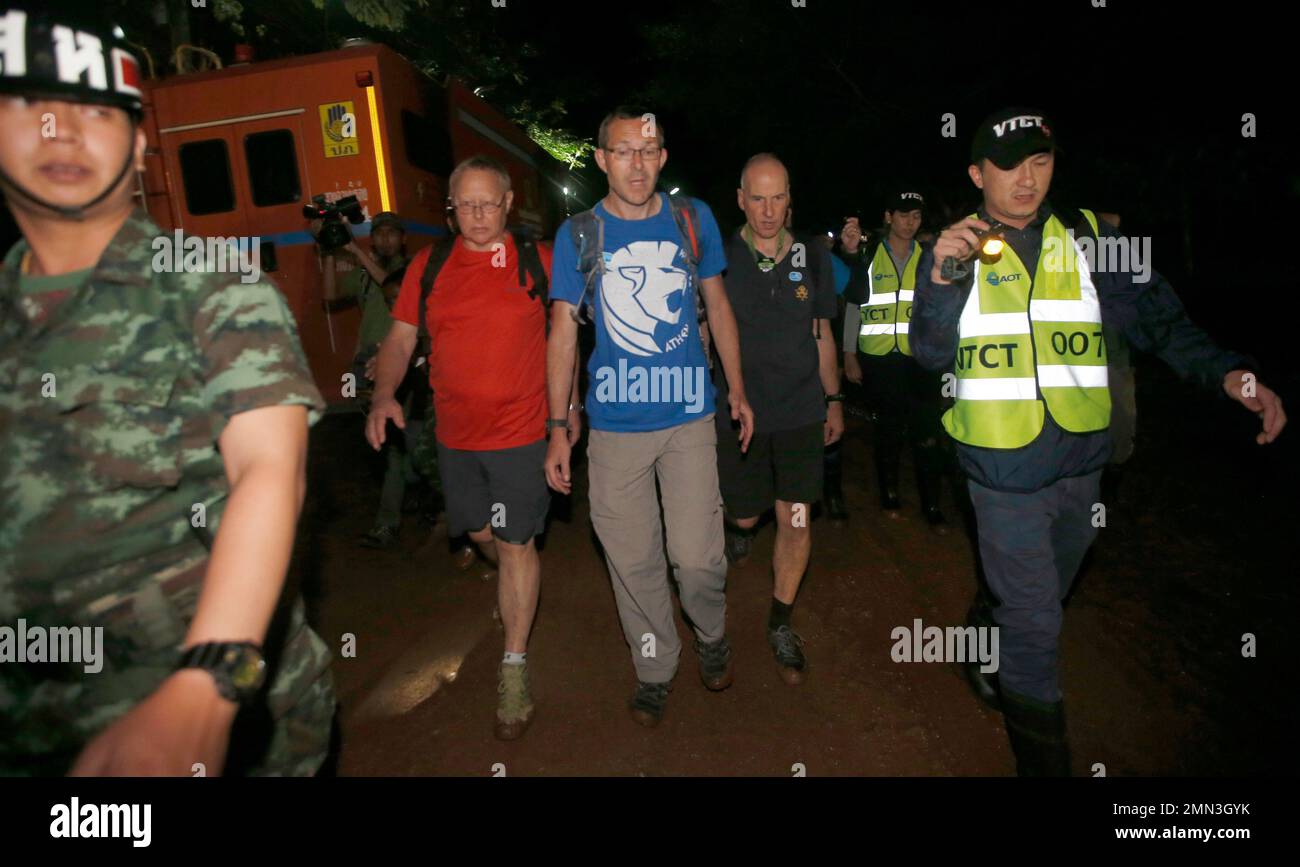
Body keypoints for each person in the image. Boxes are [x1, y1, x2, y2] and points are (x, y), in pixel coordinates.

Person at [0, 8, 335, 776]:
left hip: (219, 732)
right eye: (33, 105)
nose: (63, 130)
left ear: (141, 145)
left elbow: (268, 469)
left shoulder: (212, 286)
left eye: (96, 110)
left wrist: (208, 684)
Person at [911, 106, 1286, 775]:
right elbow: (929, 352)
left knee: (1044, 593)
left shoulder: (1090, 241)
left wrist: (1231, 372)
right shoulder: (952, 248)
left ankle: (984, 620)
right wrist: (941, 279)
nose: (1027, 178)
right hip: (1001, 476)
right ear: (976, 173)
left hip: (1084, 470)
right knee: (1035, 630)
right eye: (1008, 164)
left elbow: (1160, 319)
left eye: (1041, 160)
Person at [544, 107, 754, 727]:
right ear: (602, 159)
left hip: (689, 416)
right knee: (632, 562)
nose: (637, 163)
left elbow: (717, 304)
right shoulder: (579, 235)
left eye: (649, 150)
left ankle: (710, 632)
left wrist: (736, 390)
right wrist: (558, 425)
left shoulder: (693, 220)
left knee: (697, 559)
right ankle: (654, 665)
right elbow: (561, 331)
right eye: (623, 151)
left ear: (662, 158)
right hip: (613, 430)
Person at [365, 155, 564, 741]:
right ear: (451, 211)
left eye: (489, 203)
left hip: (522, 434)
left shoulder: (539, 262)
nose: (478, 215)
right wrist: (381, 396)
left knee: (516, 541)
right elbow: (399, 340)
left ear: (508, 205)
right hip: (456, 437)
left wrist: (566, 416)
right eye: (465, 205)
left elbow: (571, 336)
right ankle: (514, 580)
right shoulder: (429, 267)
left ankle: (515, 666)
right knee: (479, 533)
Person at [715, 154, 843, 684]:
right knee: (745, 516)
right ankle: (743, 526)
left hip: (798, 409)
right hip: (740, 410)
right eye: (757, 198)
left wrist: (833, 398)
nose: (768, 211)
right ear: (741, 199)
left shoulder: (814, 255)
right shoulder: (719, 257)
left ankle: (780, 619)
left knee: (795, 516)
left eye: (778, 198)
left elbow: (822, 334)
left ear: (791, 199)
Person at [842, 192, 950, 531]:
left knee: (927, 432)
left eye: (916, 215)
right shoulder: (869, 253)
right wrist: (848, 353)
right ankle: (889, 493)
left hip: (921, 358)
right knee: (889, 429)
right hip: (879, 356)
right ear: (889, 216)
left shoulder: (929, 255)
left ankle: (931, 504)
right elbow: (853, 304)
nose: (910, 222)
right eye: (903, 215)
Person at [320, 211, 425, 549]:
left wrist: (357, 251)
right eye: (378, 234)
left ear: (402, 238)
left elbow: (394, 287)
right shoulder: (364, 275)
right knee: (391, 441)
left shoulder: (412, 269)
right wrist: (327, 251)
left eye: (391, 233)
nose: (384, 240)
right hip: (367, 362)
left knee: (408, 442)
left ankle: (391, 520)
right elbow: (330, 295)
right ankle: (407, 499)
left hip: (404, 361)